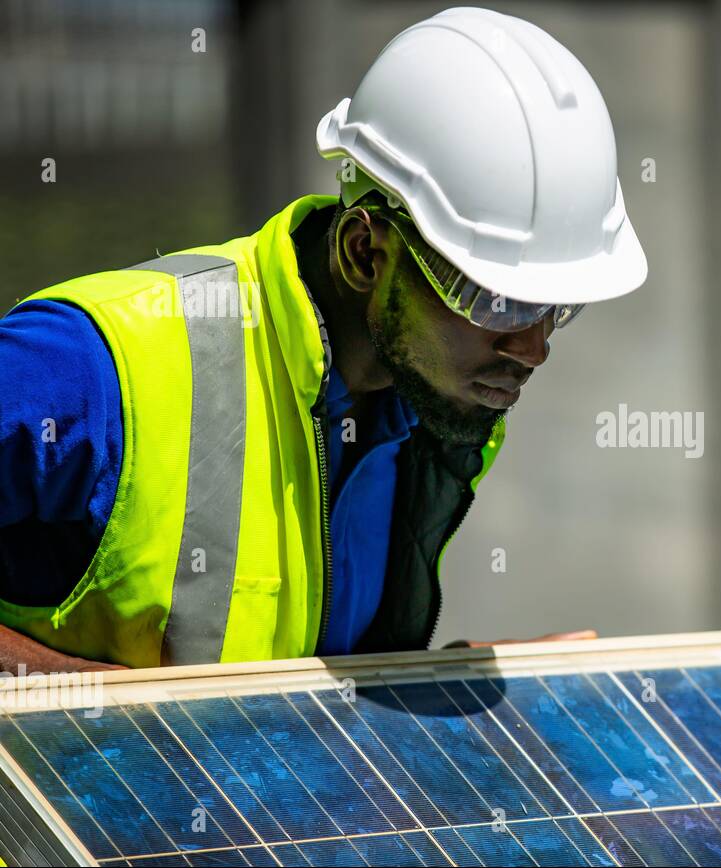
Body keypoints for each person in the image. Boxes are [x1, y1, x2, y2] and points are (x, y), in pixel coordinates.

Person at [0, 8, 647, 672]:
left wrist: (433, 683)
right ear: (365, 251)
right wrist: (100, 713)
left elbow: (310, 705)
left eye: (557, 307)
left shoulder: (431, 415)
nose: (533, 349)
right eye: (498, 301)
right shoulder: (95, 365)